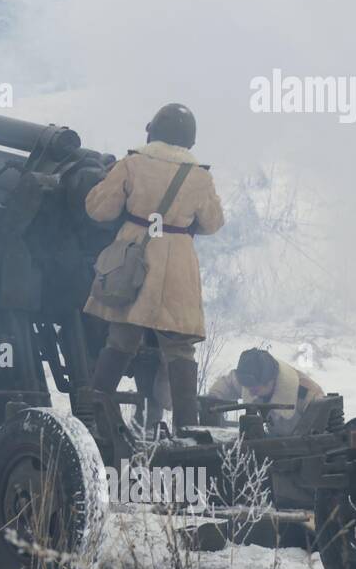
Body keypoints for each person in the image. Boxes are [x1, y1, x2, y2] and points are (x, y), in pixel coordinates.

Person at [82, 104, 225, 430]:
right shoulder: (199, 176)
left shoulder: (132, 164)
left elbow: (99, 209)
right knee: (179, 349)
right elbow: (213, 222)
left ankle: (93, 418)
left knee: (120, 340)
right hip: (178, 265)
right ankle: (188, 429)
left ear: (154, 131)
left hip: (134, 258)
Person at [207, 348, 325, 437]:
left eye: (255, 389)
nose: (251, 393)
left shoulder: (307, 394)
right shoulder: (249, 382)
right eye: (247, 387)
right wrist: (211, 400)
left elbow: (322, 433)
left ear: (271, 381)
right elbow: (229, 384)